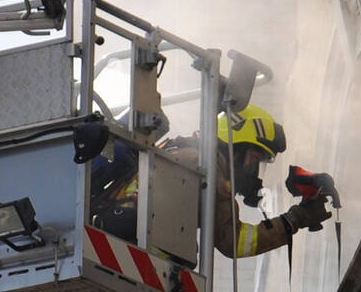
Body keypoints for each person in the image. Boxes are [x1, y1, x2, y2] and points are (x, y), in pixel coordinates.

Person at [89, 104, 333, 259]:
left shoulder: (181, 151)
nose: (254, 172)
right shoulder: (209, 172)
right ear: (235, 146)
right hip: (141, 260)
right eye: (254, 160)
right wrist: (295, 220)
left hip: (120, 247)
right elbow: (234, 242)